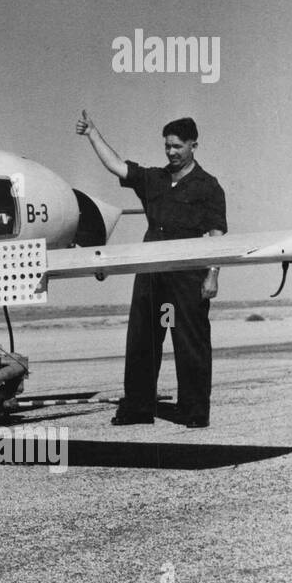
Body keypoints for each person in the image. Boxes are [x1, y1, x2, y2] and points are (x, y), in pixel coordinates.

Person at [76, 111, 227, 428]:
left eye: (177, 147)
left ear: (192, 145)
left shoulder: (208, 186)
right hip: (151, 274)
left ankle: (194, 411)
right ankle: (139, 408)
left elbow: (217, 235)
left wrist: (212, 274)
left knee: (190, 342)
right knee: (142, 339)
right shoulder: (154, 179)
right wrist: (93, 134)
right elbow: (117, 165)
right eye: (167, 147)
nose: (171, 152)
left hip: (187, 275)